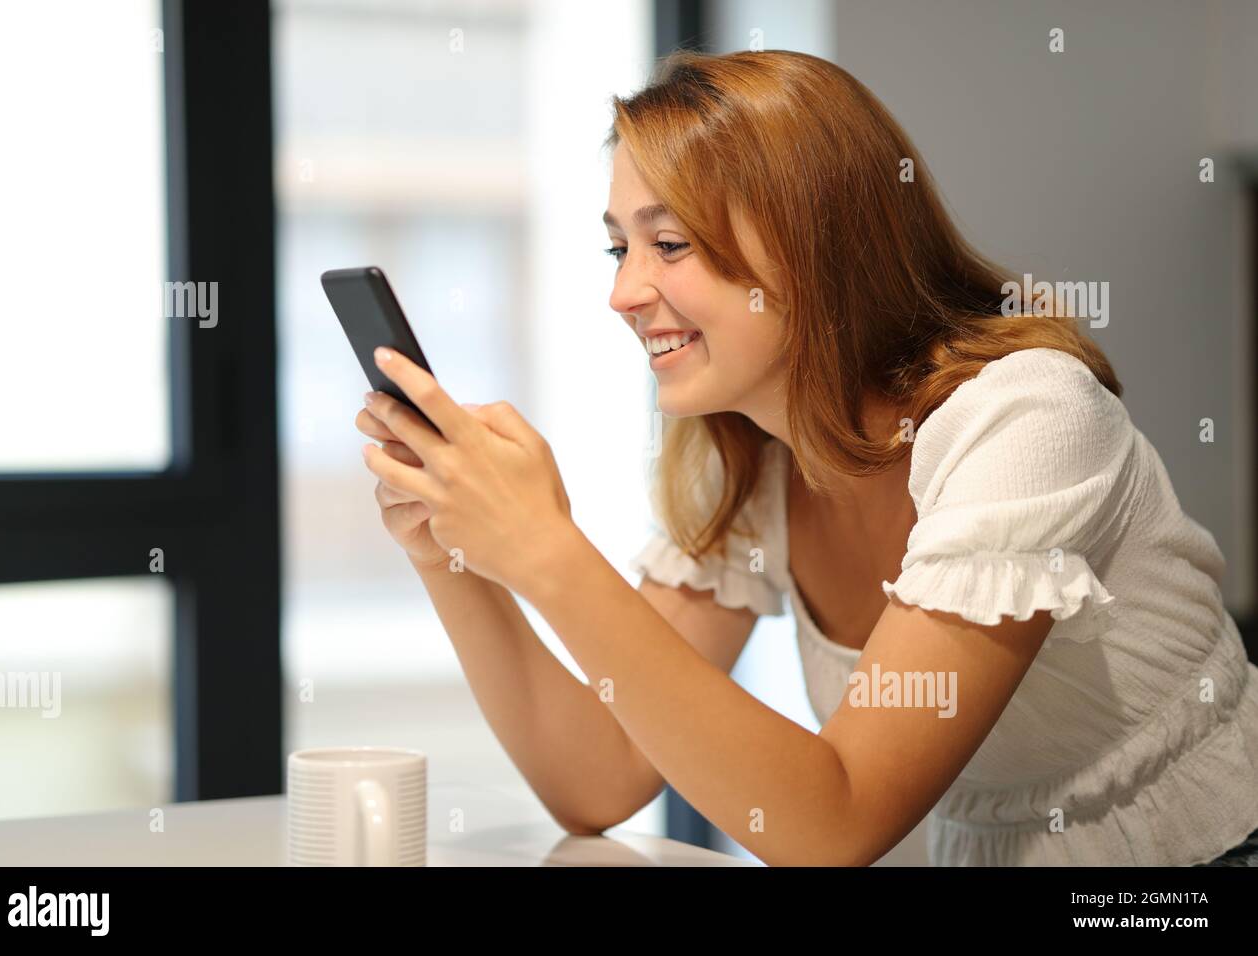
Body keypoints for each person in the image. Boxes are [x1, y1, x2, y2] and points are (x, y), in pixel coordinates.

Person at [355, 49, 1258, 866]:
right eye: (618, 245)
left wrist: (547, 551)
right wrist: (455, 555)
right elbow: (600, 776)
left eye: (668, 244)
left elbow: (836, 822)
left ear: (815, 246)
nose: (624, 292)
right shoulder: (749, 453)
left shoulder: (1028, 420)